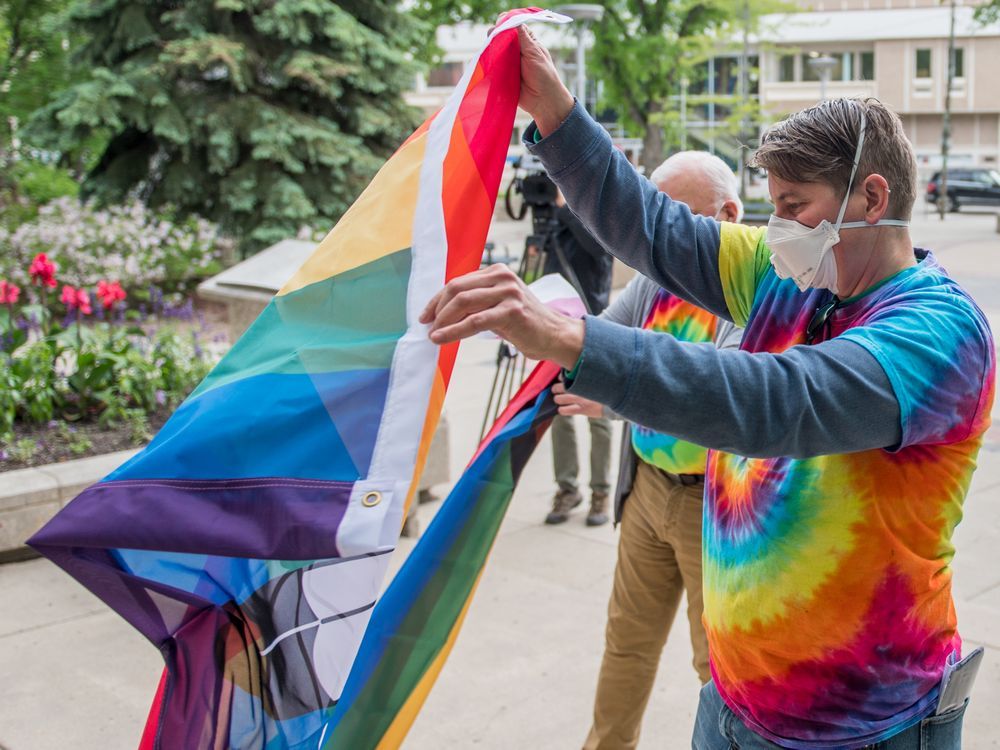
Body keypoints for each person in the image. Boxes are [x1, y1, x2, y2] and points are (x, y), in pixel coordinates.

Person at [420, 25, 995, 750]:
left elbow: (775, 400)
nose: (775, 226)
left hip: (860, 726)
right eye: (772, 204)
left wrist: (572, 339)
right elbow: (657, 231)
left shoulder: (940, 333)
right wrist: (557, 115)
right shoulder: (789, 272)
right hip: (732, 703)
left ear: (872, 197)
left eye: (795, 205)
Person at [553, 151, 744, 750]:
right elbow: (604, 340)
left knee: (718, 671)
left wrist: (611, 396)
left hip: (709, 511)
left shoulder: (749, 291)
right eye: (652, 217)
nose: (659, 236)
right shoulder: (656, 276)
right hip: (648, 492)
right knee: (627, 646)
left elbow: (717, 398)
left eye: (675, 218)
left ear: (727, 215)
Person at [544, 194, 614, 525]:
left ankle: (601, 492)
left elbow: (599, 249)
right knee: (560, 411)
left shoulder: (599, 214)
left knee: (598, 416)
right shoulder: (557, 223)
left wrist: (565, 206)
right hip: (554, 331)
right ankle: (567, 488)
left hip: (593, 329)